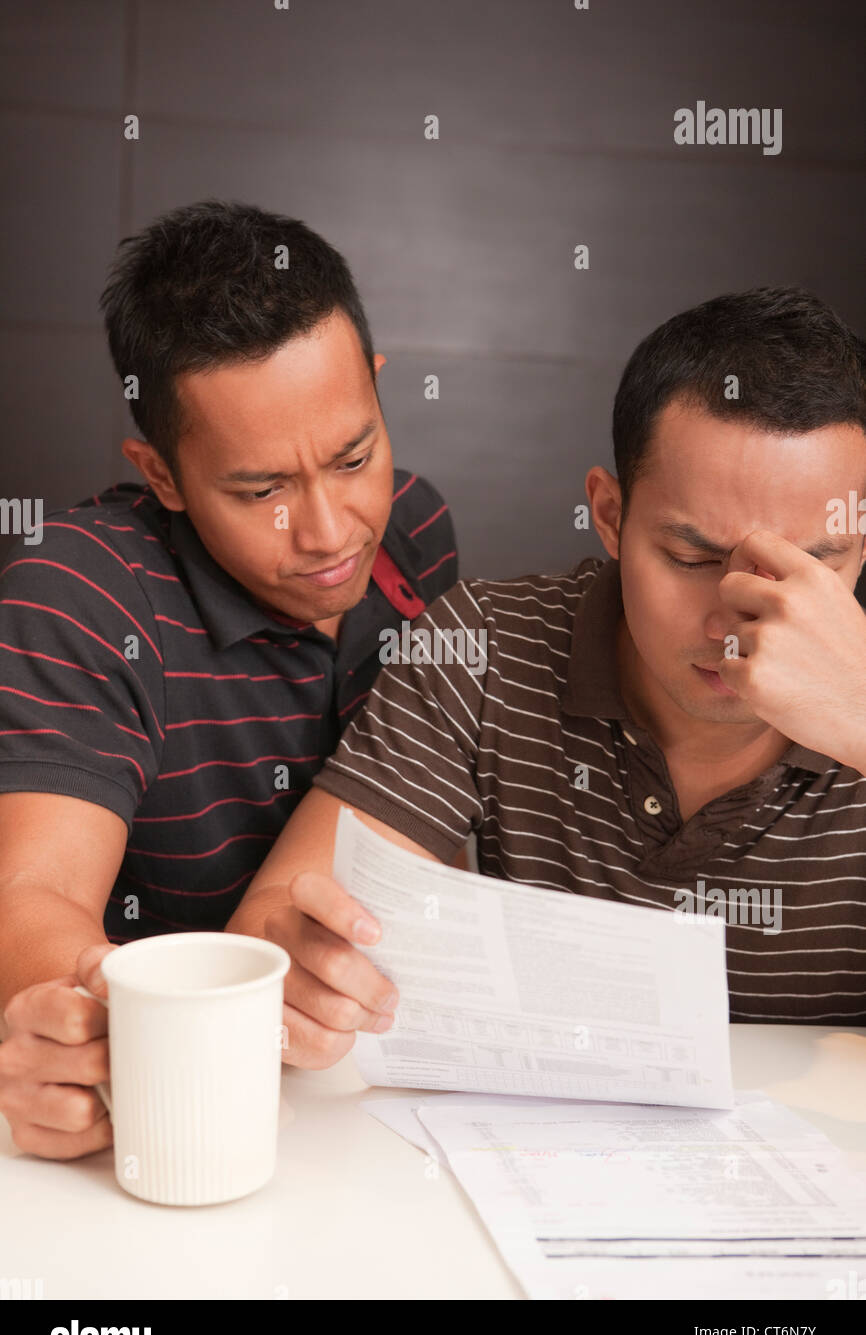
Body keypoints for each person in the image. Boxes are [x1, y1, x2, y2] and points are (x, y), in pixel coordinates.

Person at [225, 286, 866, 1073]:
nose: (736, 625)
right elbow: (278, 922)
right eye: (694, 559)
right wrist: (300, 975)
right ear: (609, 515)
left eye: (817, 566)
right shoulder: (485, 647)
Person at [0, 199, 457, 1157]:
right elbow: (29, 892)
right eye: (263, 491)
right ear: (161, 475)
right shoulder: (81, 589)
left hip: (374, 1095)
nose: (332, 531)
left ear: (375, 390)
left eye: (354, 455)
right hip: (182, 1099)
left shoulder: (417, 530)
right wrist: (98, 1008)